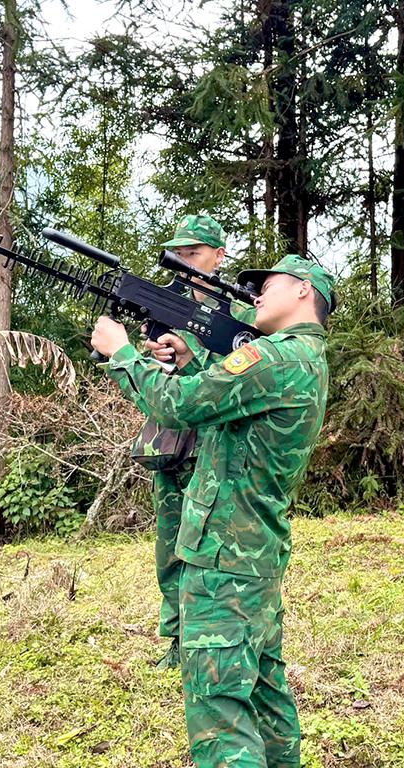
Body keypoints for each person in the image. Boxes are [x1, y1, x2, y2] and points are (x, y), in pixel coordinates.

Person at [90, 254, 334, 768]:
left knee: (217, 709)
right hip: (252, 554)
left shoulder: (275, 357)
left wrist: (121, 354)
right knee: (265, 689)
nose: (254, 295)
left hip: (224, 560)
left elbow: (179, 405)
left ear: (303, 291)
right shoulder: (300, 360)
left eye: (268, 285)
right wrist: (187, 357)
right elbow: (221, 402)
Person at [137, 214, 255, 669]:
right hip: (173, 442)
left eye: (195, 253)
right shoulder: (167, 303)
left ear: (219, 257)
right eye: (180, 254)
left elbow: (239, 379)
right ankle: (176, 637)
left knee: (210, 548)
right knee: (169, 544)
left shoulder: (243, 312)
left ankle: (215, 635)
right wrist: (155, 355)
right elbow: (159, 378)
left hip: (219, 446)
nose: (185, 262)